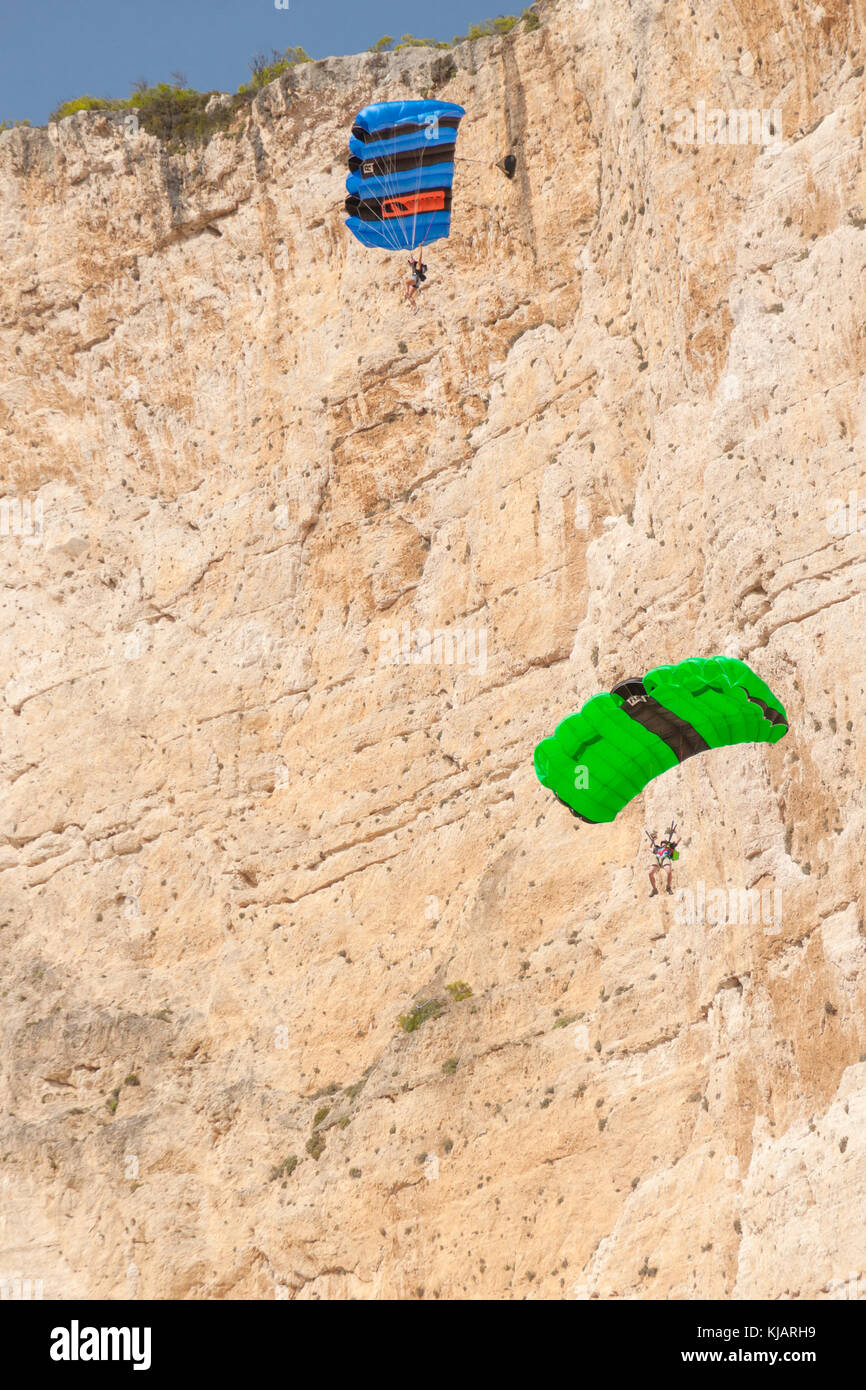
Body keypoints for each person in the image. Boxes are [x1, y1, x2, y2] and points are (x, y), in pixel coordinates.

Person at [647, 825, 680, 897]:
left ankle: (668, 887)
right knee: (650, 873)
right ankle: (654, 889)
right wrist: (653, 841)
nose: (664, 844)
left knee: (669, 872)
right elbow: (649, 848)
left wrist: (675, 831)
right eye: (662, 843)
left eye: (665, 843)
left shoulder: (670, 847)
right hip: (657, 858)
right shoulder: (657, 849)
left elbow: (679, 838)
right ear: (661, 845)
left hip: (665, 858)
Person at [404, 247, 427, 312]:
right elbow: (412, 262)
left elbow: (420, 258)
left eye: (411, 262)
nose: (410, 263)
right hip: (418, 282)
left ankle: (406, 292)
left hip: (416, 278)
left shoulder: (418, 266)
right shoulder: (414, 268)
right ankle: (415, 307)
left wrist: (421, 248)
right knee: (410, 296)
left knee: (406, 282)